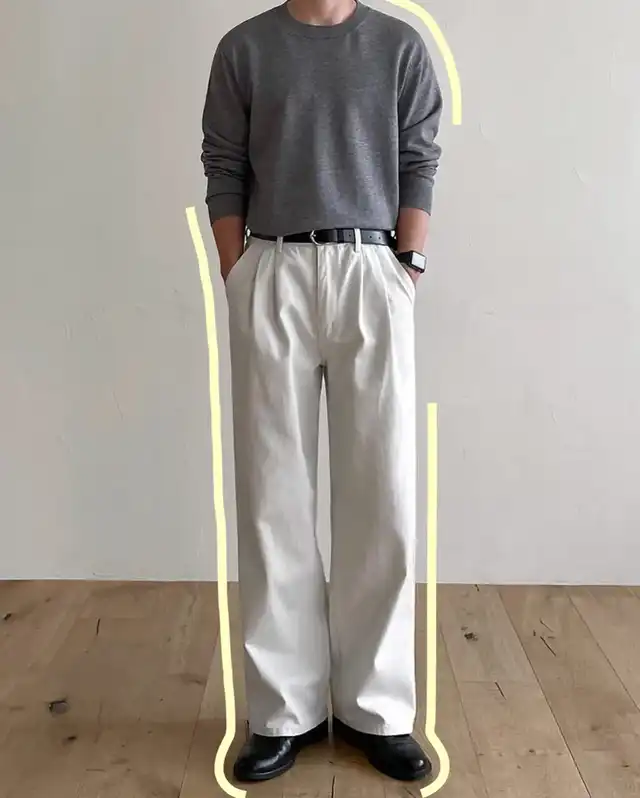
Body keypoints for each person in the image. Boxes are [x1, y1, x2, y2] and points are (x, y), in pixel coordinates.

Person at [201, 0, 442, 784]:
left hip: (373, 268)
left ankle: (379, 709)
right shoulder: (244, 48)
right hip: (274, 267)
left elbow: (419, 157)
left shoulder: (398, 45)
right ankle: (283, 711)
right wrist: (238, 273)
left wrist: (407, 266)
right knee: (271, 493)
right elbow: (224, 165)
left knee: (383, 493)